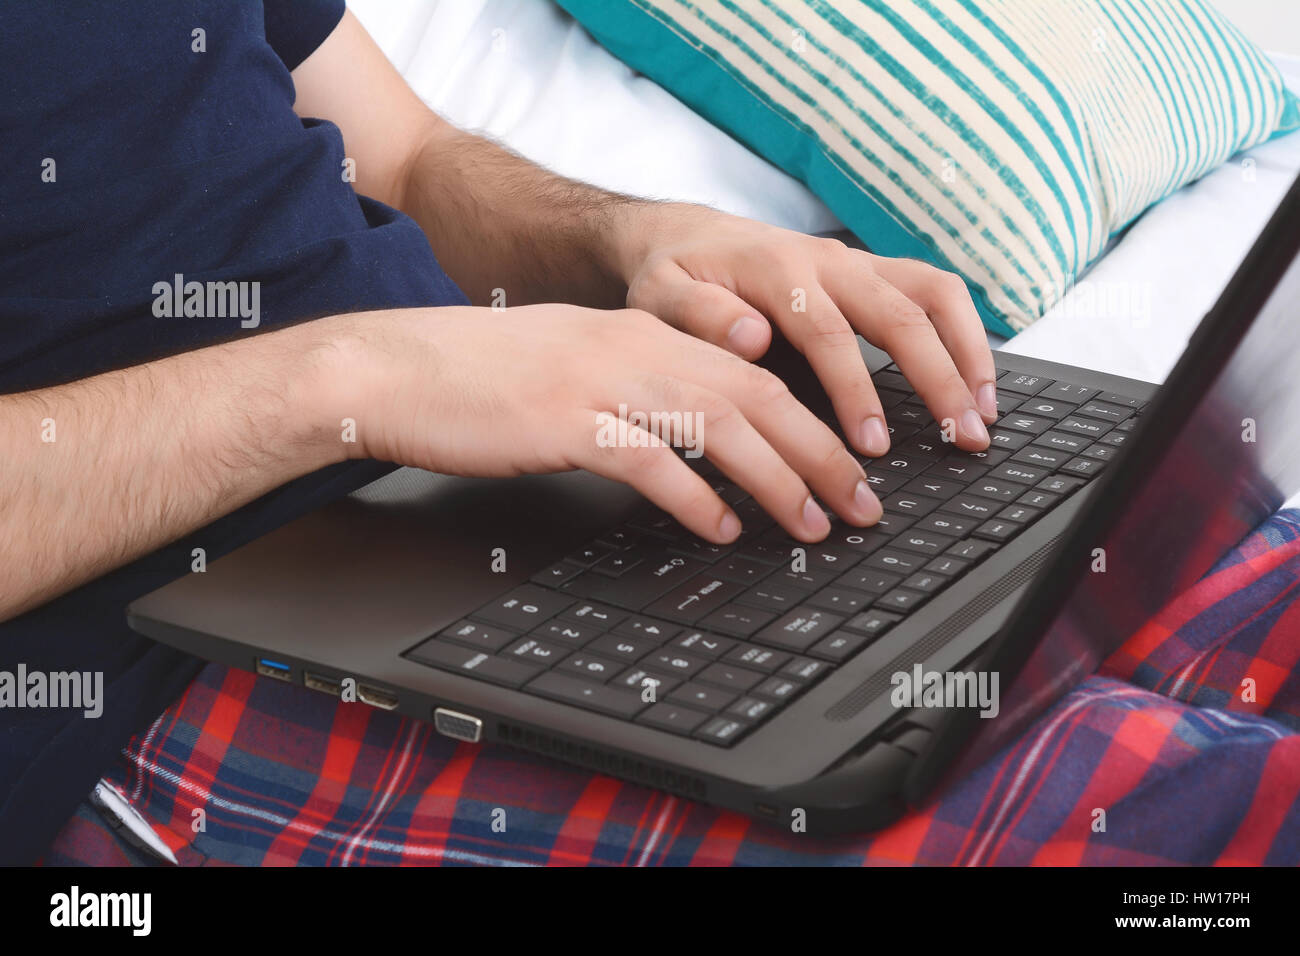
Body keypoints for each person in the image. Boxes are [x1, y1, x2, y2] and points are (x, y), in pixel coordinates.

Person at [0, 1, 995, 862]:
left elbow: (404, 157)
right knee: (1103, 786)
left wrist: (625, 237)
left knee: (1071, 613)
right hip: (139, 672)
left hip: (482, 503)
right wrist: (353, 379)